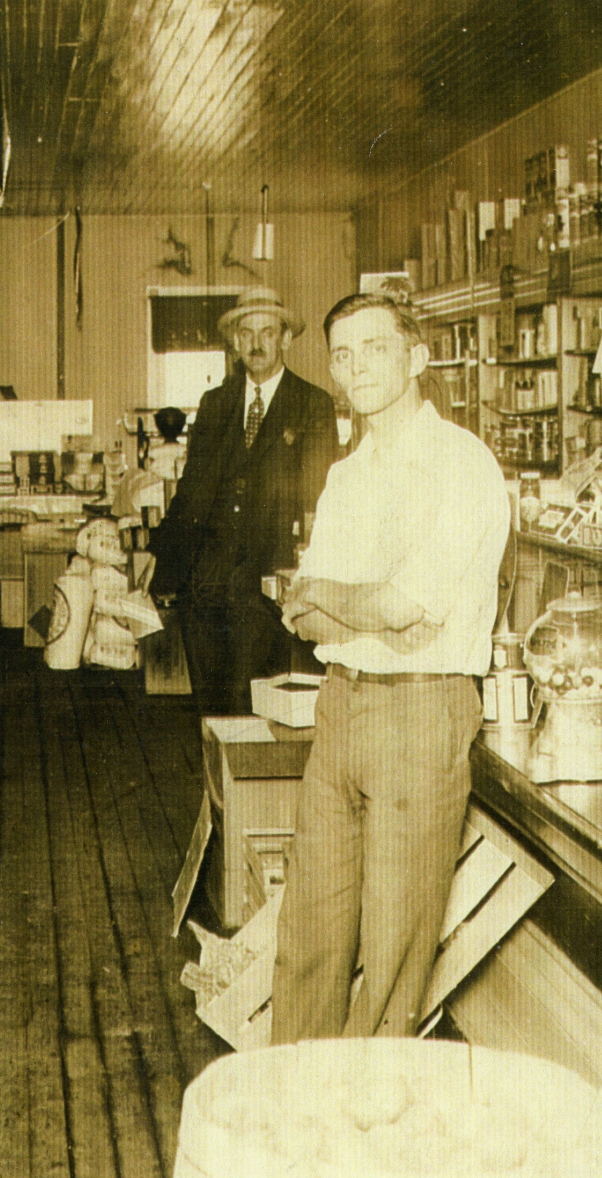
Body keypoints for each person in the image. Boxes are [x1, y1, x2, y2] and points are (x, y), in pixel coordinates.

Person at [269, 292, 511, 1041]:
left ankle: (366, 1130)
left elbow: (403, 607)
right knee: (309, 933)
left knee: (392, 954)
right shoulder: (348, 473)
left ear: (417, 357)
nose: (355, 366)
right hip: (340, 703)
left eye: (375, 347)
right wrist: (357, 604)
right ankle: (293, 1111)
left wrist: (343, 599)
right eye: (342, 354)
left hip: (419, 709)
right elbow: (303, 617)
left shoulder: (462, 463)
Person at [150, 285, 340, 714]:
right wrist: (161, 558)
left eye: (267, 332)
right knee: (210, 706)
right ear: (235, 341)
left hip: (267, 589)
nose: (256, 343)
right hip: (205, 587)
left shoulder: (312, 404)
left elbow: (319, 503)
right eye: (247, 333)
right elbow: (192, 491)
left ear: (285, 339)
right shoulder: (215, 404)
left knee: (254, 707)